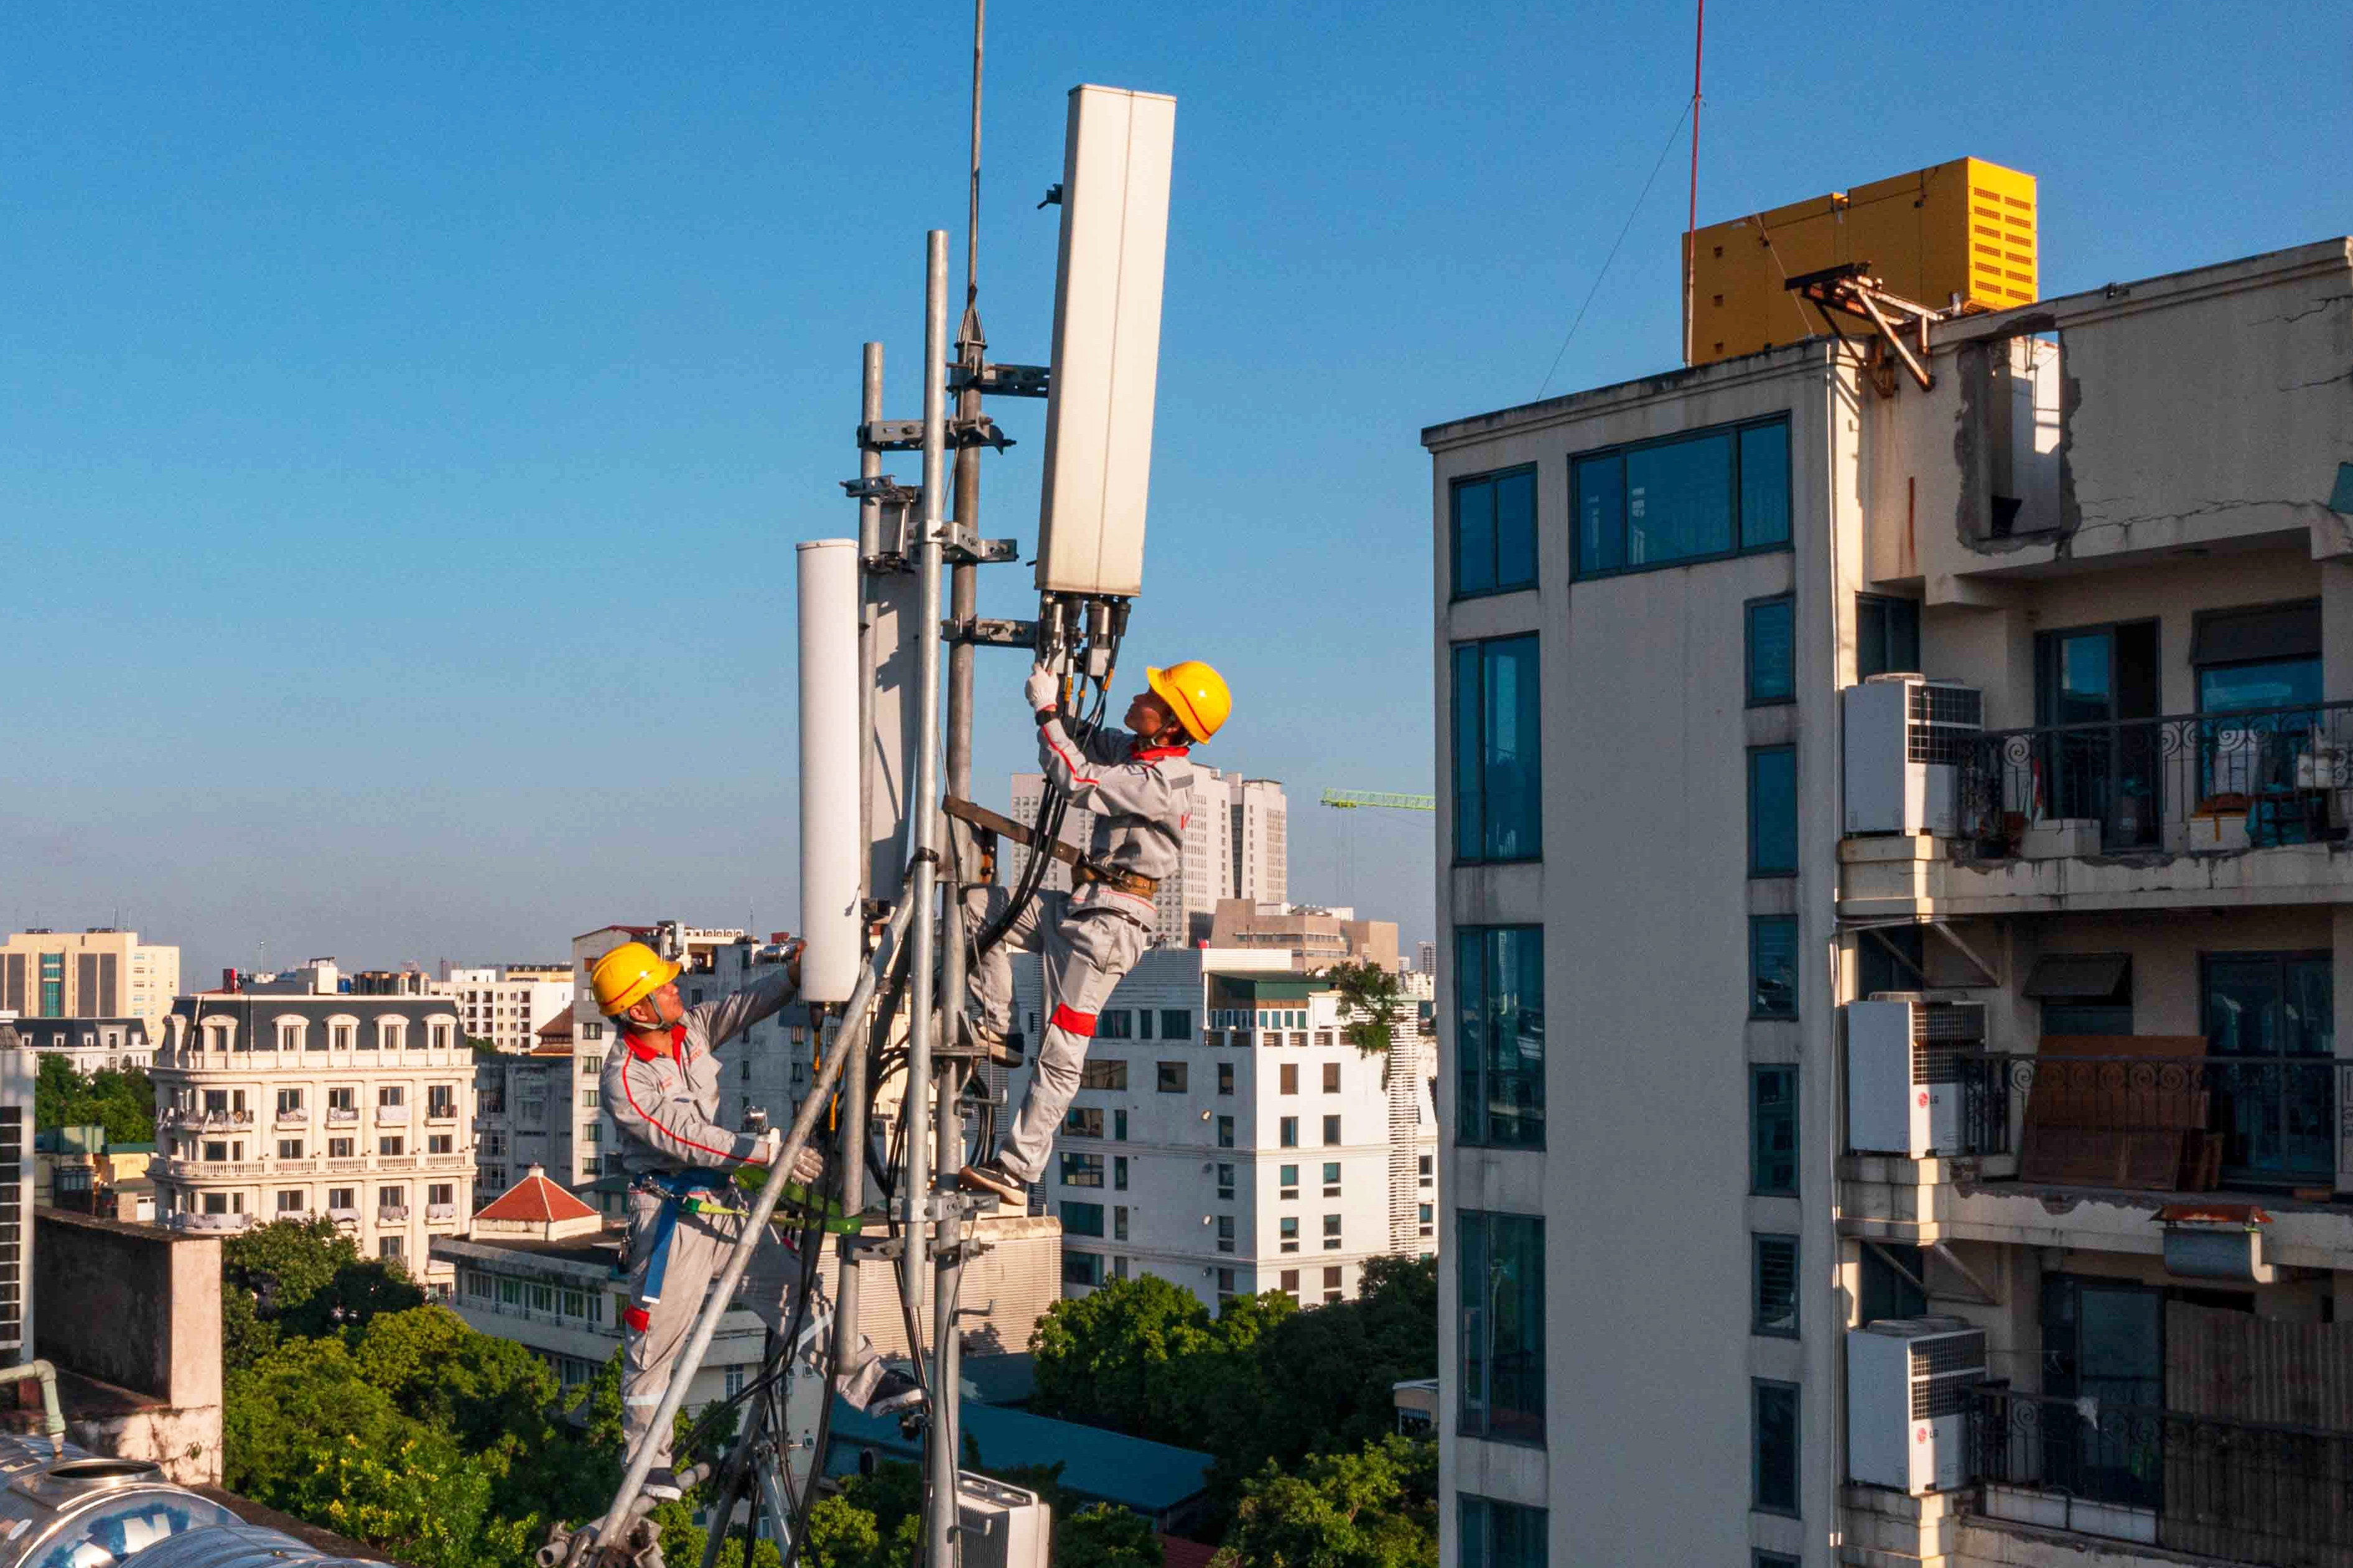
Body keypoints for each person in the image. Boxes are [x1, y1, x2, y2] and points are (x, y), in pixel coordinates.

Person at [594, 938, 920, 1501]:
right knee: (657, 1343)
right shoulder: (625, 1077)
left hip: (723, 1203)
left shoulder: (687, 1030)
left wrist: (794, 976)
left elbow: (742, 1005)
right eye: (663, 986)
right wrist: (769, 1152)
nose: (676, 988)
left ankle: (869, 1380)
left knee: (796, 1292)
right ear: (638, 1010)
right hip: (673, 1216)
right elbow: (681, 1135)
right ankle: (647, 1458)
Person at [957, 659, 1231, 1205]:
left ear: (1172, 723)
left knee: (1063, 1048)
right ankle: (998, 1027)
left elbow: (1077, 778)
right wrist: (1059, 695)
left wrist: (1046, 709)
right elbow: (1087, 741)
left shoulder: (1160, 781)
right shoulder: (1140, 754)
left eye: (1152, 696)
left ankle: (1018, 1168)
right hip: (1085, 906)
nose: (1138, 697)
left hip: (1111, 926)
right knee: (976, 907)